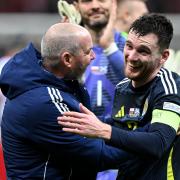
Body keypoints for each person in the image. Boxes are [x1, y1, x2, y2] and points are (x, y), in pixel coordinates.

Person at [0, 22, 135, 180]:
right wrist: (151, 142)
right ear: (67, 59)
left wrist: (135, 122)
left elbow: (90, 125)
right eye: (88, 52)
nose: (93, 56)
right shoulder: (43, 102)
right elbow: (99, 155)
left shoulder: (55, 84)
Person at [58, 14, 180, 179]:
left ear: (163, 57)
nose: (131, 56)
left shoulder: (169, 89)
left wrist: (103, 129)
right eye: (129, 46)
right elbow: (121, 136)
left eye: (143, 51)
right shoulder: (123, 87)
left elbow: (158, 143)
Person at [74, 0, 126, 123]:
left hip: (120, 136)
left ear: (114, 3)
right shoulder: (69, 50)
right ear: (76, 7)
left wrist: (109, 47)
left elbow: (142, 82)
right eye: (87, 1)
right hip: (81, 136)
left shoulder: (130, 45)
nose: (95, 6)